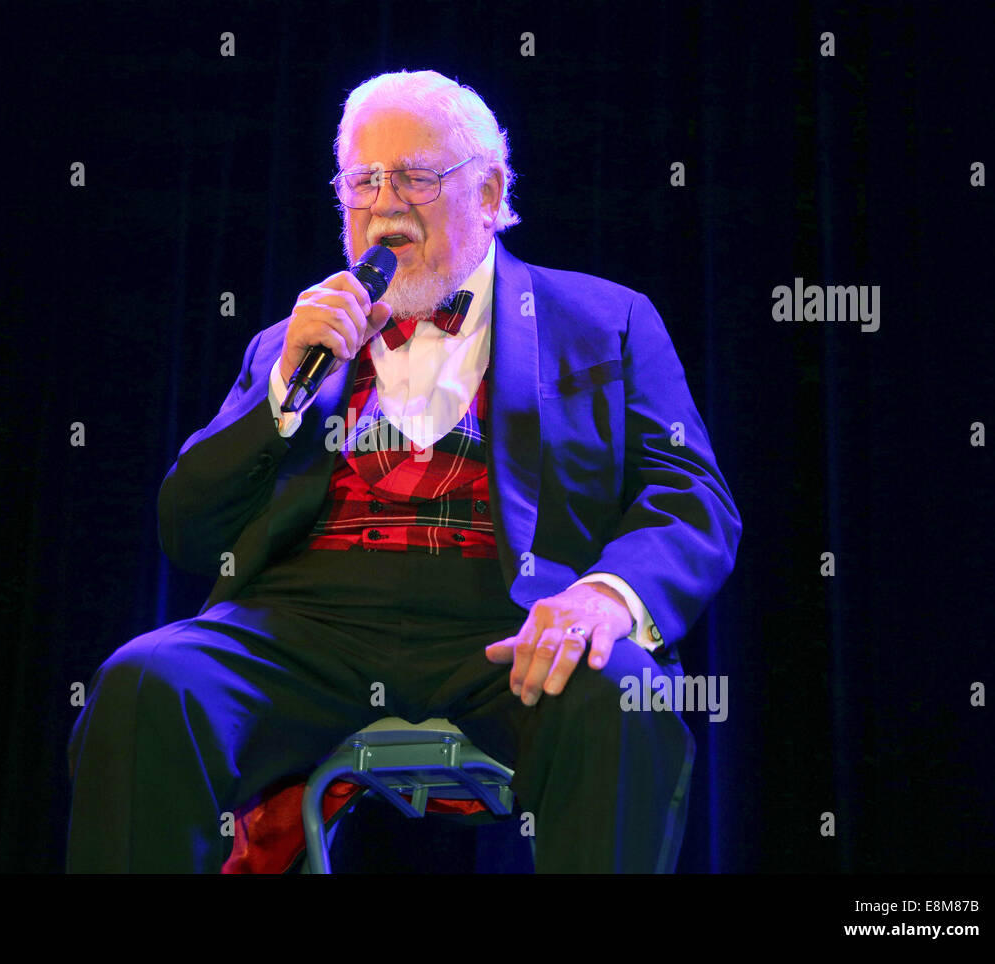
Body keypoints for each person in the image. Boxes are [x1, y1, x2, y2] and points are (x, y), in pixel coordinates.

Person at [65, 69, 741, 873]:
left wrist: (602, 598)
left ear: (489, 192)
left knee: (622, 691)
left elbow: (692, 498)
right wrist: (283, 388)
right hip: (303, 629)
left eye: (414, 177)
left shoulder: (606, 319)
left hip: (508, 622)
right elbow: (186, 527)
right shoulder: (290, 342)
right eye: (361, 180)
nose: (383, 204)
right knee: (145, 682)